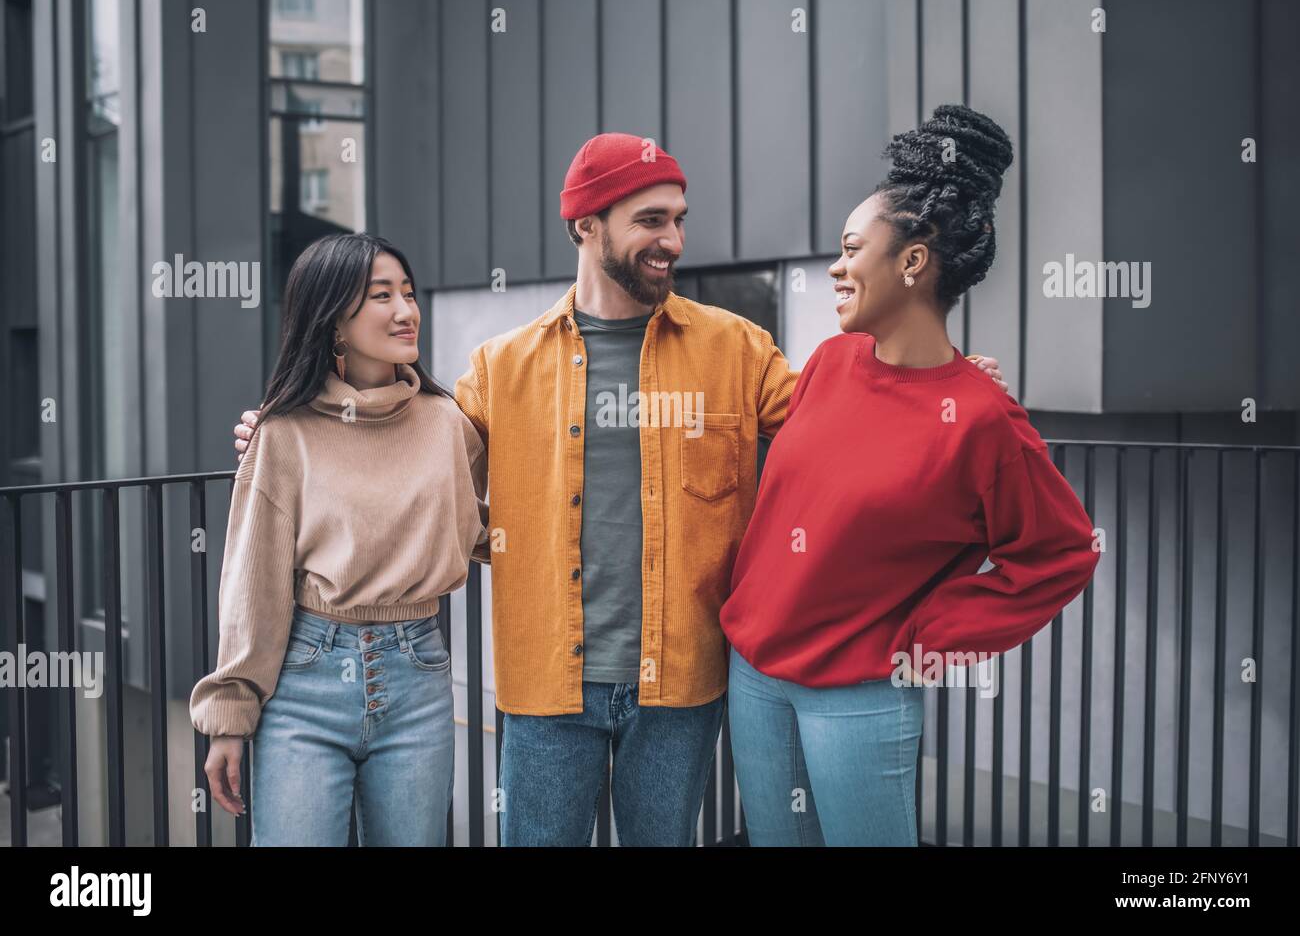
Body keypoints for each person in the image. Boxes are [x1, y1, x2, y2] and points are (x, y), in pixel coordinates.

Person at [233, 133, 1007, 846]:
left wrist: (944, 385)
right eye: (649, 219)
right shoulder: (501, 368)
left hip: (680, 687)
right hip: (546, 692)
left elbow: (840, 421)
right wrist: (298, 430)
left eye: (678, 219)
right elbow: (408, 452)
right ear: (586, 227)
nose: (671, 239)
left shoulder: (736, 348)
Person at [720, 105, 1101, 846]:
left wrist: (929, 638)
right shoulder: (829, 365)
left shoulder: (986, 420)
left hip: (856, 698)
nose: (834, 266)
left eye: (851, 248)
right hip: (755, 679)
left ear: (913, 262)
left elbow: (1062, 552)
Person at [192, 233, 488, 846]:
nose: (406, 310)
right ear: (332, 320)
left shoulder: (448, 424)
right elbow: (253, 582)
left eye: (408, 292)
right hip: (305, 677)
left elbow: (487, 527)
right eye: (382, 295)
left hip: (418, 673)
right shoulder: (281, 433)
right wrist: (229, 717)